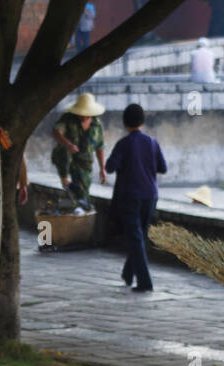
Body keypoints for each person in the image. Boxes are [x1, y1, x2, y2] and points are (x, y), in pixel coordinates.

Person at [105, 103, 167, 293]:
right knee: (139, 236)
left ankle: (145, 281)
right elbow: (162, 168)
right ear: (142, 121)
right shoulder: (152, 142)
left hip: (130, 196)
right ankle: (128, 273)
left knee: (135, 237)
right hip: (150, 195)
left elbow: (109, 167)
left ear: (125, 123)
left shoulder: (123, 144)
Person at [50, 92, 106, 211]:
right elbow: (56, 132)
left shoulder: (97, 125)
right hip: (67, 160)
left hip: (84, 164)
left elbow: (100, 147)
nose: (84, 116)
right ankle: (65, 180)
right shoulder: (67, 119)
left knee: (82, 193)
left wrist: (102, 168)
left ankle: (81, 213)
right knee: (63, 151)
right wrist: (68, 144)